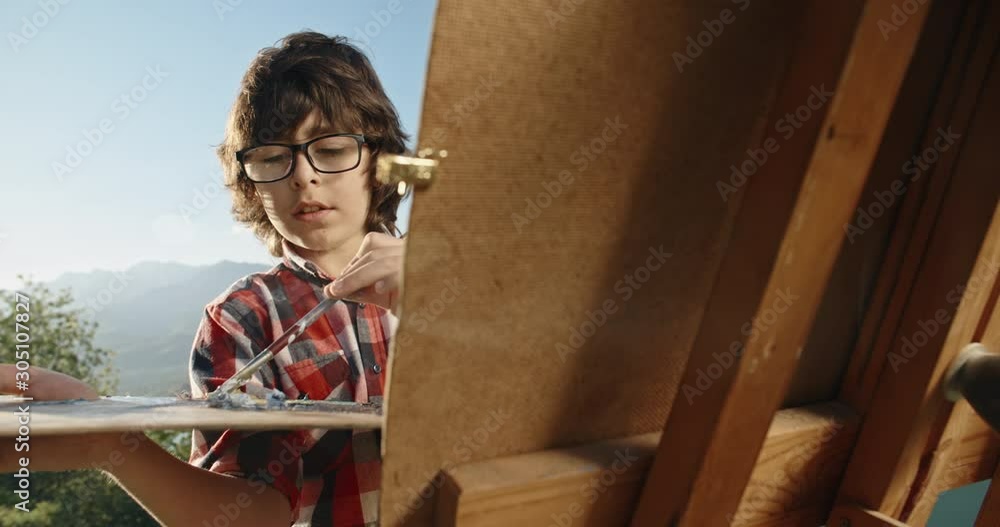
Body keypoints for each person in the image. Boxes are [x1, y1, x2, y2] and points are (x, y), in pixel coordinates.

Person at [0, 31, 408, 526]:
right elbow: (248, 514)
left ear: (381, 161)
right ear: (250, 181)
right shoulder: (244, 315)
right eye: (273, 157)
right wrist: (113, 446)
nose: (303, 176)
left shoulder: (466, 286)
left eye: (332, 147)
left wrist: (425, 303)